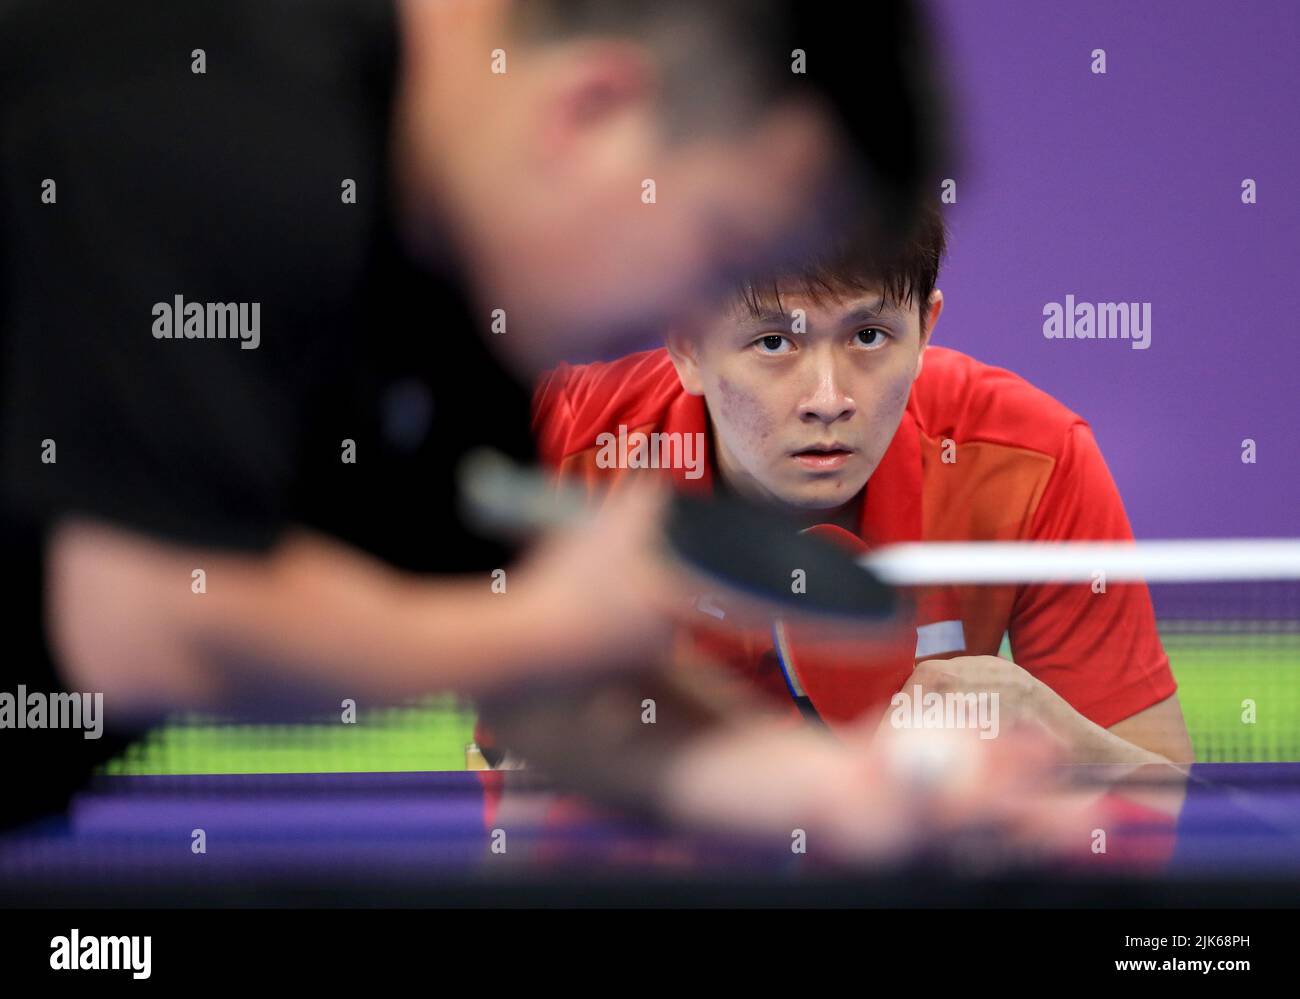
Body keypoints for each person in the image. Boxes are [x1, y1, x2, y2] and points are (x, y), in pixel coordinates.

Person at [0, 0, 949, 828]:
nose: (703, 319)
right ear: (593, 110)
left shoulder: (465, 263)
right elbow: (145, 622)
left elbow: (545, 692)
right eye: (725, 254)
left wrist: (845, 794)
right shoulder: (219, 103)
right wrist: (551, 620)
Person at [525, 205, 1195, 766]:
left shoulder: (1032, 459)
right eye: (773, 342)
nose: (829, 398)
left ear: (926, 328)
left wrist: (1060, 734)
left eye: (869, 335)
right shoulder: (560, 450)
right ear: (689, 346)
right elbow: (510, 811)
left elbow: (1178, 830)